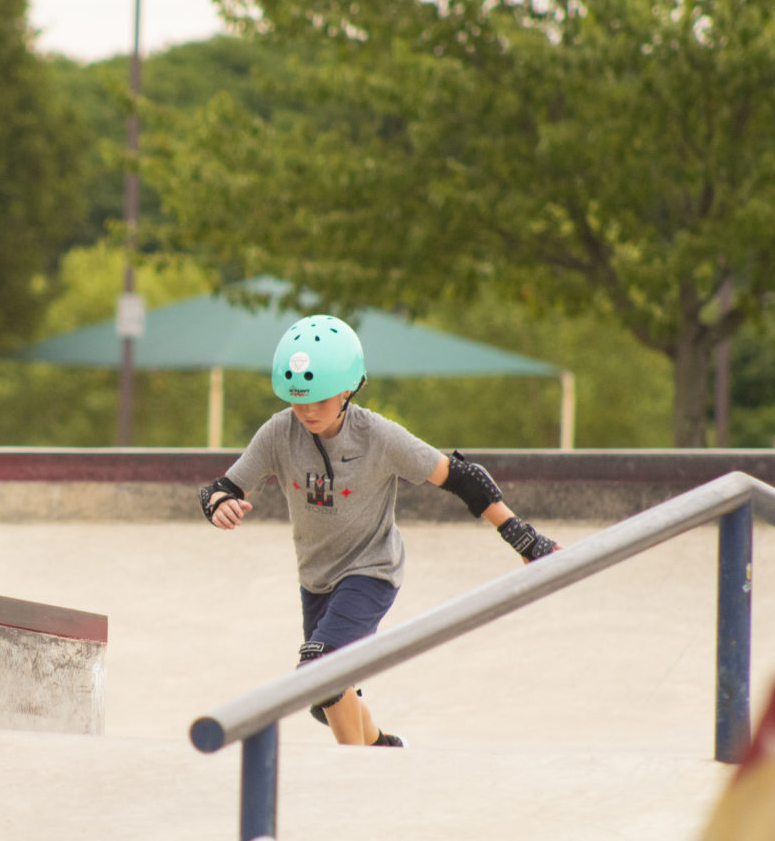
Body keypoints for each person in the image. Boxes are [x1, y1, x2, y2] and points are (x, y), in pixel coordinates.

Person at [198, 314, 560, 747]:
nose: (308, 411)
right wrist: (220, 504)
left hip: (371, 572)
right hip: (315, 580)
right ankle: (380, 748)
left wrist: (521, 536)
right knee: (329, 688)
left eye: (319, 399)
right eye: (298, 401)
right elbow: (222, 486)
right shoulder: (280, 432)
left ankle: (355, 774)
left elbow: (462, 477)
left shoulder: (378, 436)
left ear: (348, 389)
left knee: (321, 671)